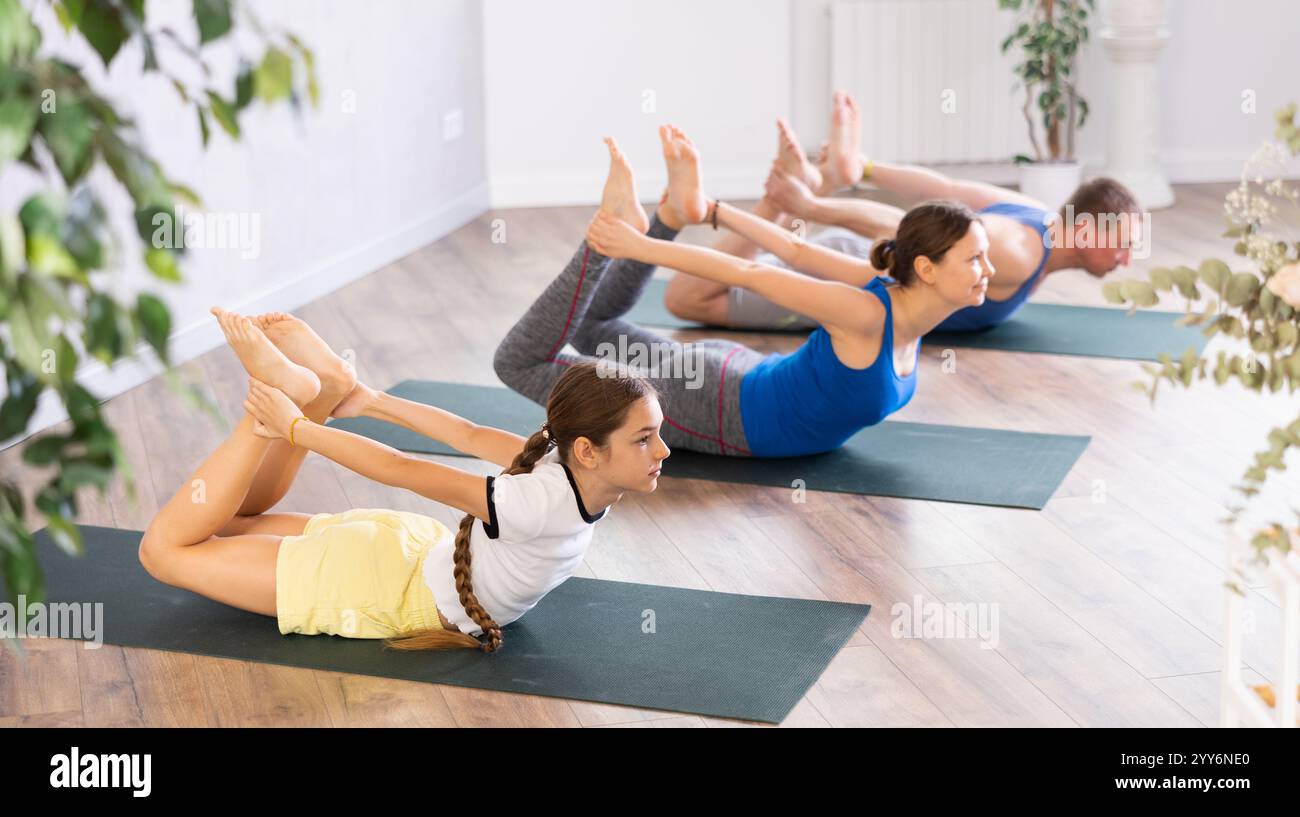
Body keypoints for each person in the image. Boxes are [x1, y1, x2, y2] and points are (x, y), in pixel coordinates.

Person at [138, 309, 667, 653]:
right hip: (381, 582)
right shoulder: (541, 499)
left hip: (406, 550)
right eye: (645, 438)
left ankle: (311, 393)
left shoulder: (565, 468)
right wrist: (298, 426)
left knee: (229, 519)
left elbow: (466, 434)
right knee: (162, 551)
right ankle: (285, 407)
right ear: (586, 451)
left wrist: (350, 406)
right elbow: (406, 466)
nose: (662, 451)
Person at [494, 125, 992, 459]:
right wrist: (636, 247)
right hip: (713, 404)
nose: (988, 270)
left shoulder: (898, 296)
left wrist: (710, 210)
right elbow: (749, 274)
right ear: (925, 268)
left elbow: (795, 250)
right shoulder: (865, 313)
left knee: (594, 329)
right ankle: (610, 237)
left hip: (729, 375)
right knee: (517, 364)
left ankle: (666, 217)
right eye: (975, 258)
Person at [663, 92, 1142, 332]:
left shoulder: (1035, 215)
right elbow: (907, 228)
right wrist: (809, 207)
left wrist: (866, 167)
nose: (1126, 258)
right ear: (1084, 229)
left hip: (867, 262)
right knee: (688, 300)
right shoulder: (1017, 251)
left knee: (717, 285)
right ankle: (777, 200)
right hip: (854, 277)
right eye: (1121, 243)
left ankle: (811, 186)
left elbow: (946, 187)